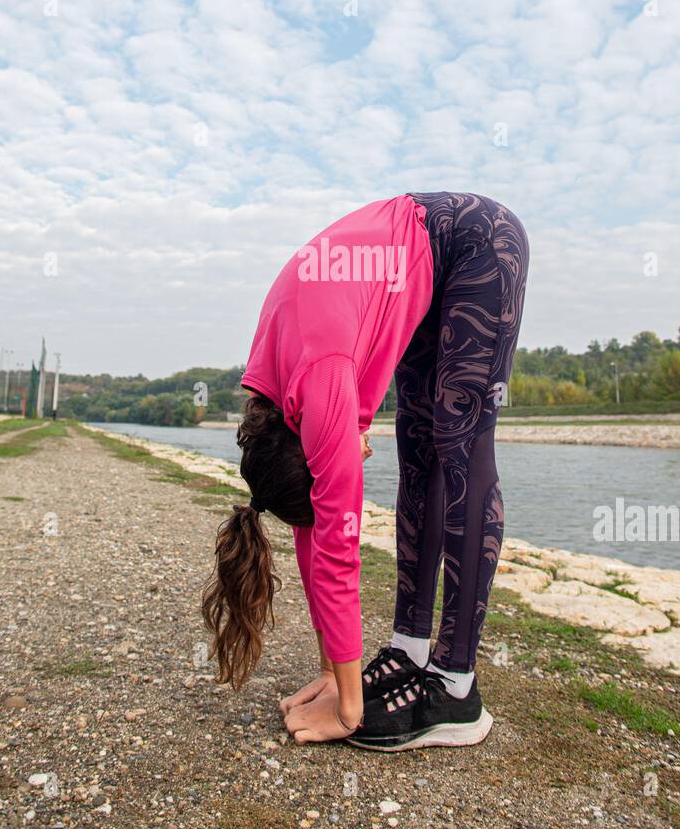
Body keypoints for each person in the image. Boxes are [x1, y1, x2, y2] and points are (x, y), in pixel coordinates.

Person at [202, 192, 529, 750]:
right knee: (418, 453)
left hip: (478, 243)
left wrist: (348, 711)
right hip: (421, 269)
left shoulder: (320, 379)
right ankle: (409, 652)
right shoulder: (273, 391)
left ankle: (456, 687)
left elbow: (337, 547)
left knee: (459, 445)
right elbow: (314, 536)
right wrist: (333, 671)